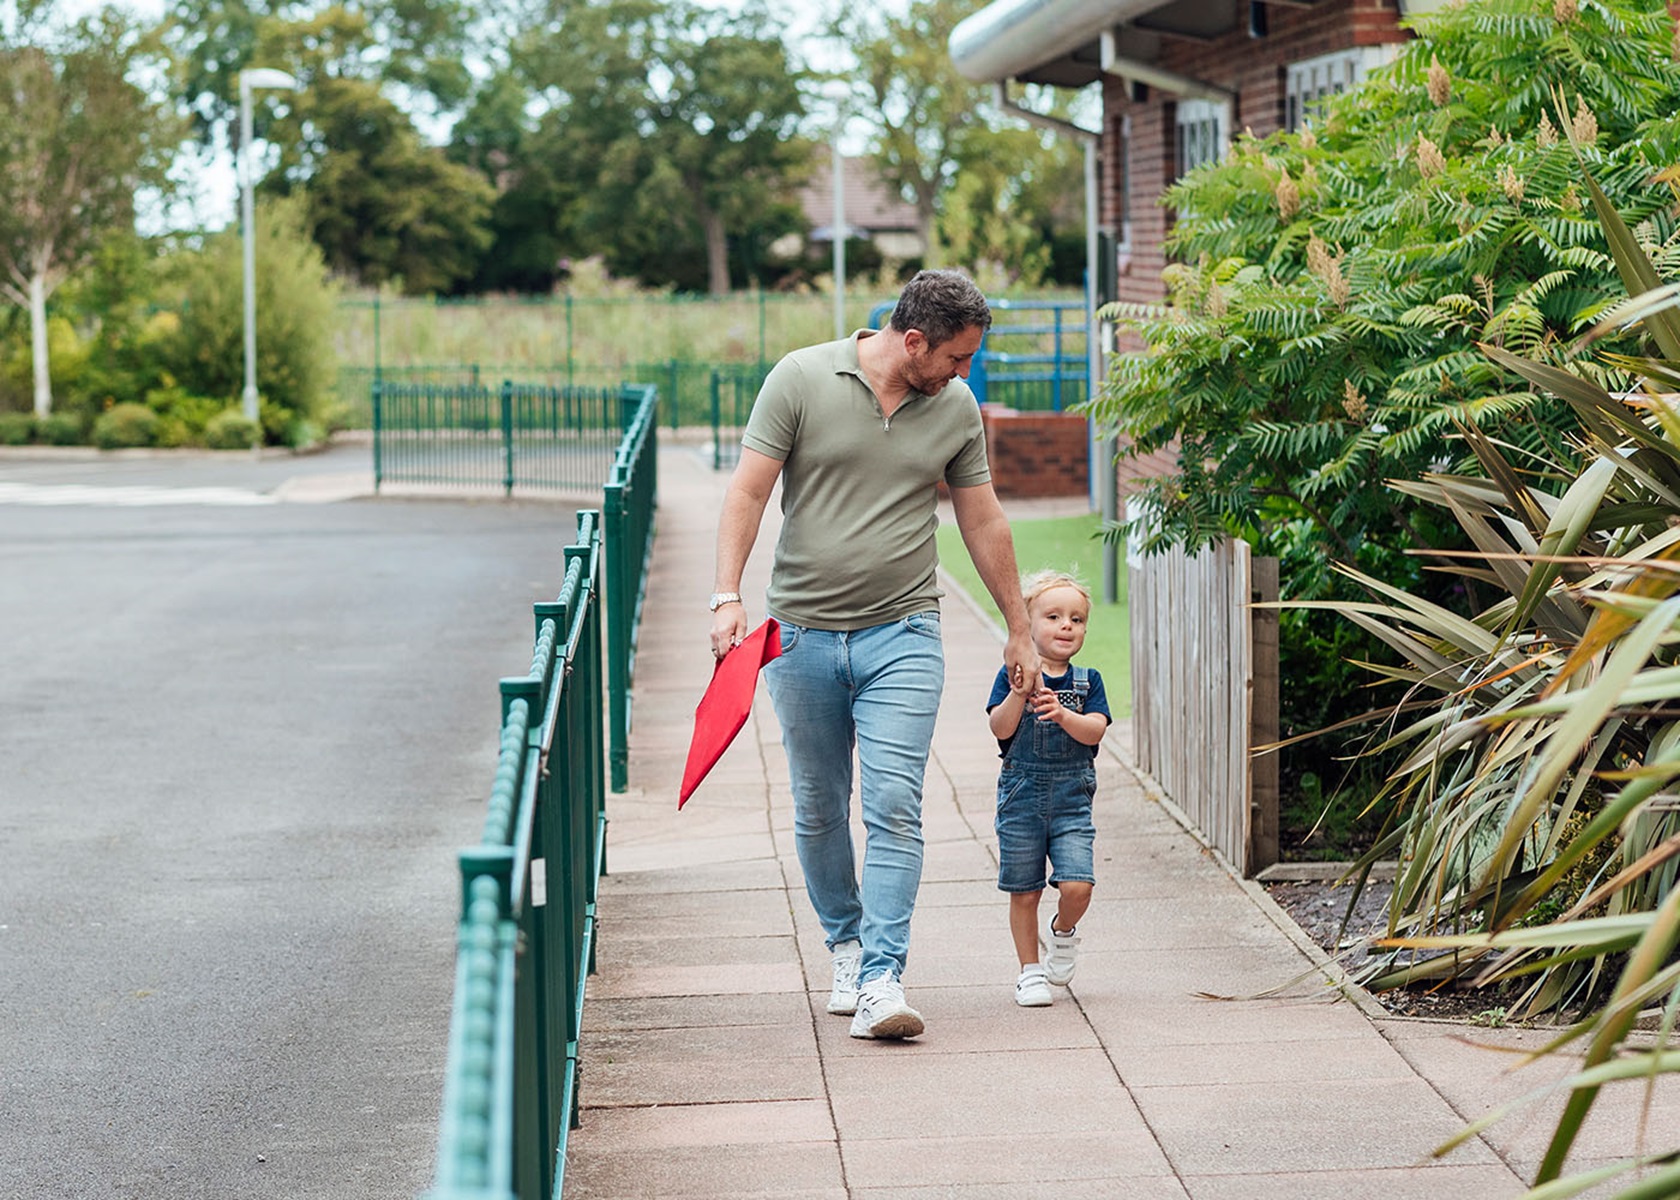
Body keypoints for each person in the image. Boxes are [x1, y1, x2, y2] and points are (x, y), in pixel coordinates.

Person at [709, 269, 1039, 1040]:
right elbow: (749, 491)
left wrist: (1019, 626)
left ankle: (883, 977)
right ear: (913, 340)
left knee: (894, 803)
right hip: (801, 635)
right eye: (957, 357)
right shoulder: (800, 379)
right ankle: (847, 945)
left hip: (905, 632)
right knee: (819, 804)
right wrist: (726, 593)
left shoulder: (954, 407)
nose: (964, 372)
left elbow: (982, 519)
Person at [985, 570, 1110, 1007]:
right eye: (1053, 616)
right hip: (1021, 798)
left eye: (1076, 619)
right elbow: (1000, 729)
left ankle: (1063, 931)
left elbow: (1095, 731)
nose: (1066, 626)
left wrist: (1063, 715)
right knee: (1025, 890)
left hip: (1072, 801)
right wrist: (1019, 694)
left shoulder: (1088, 681)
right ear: (1028, 624)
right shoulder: (1012, 675)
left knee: (1078, 885)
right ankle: (1029, 971)